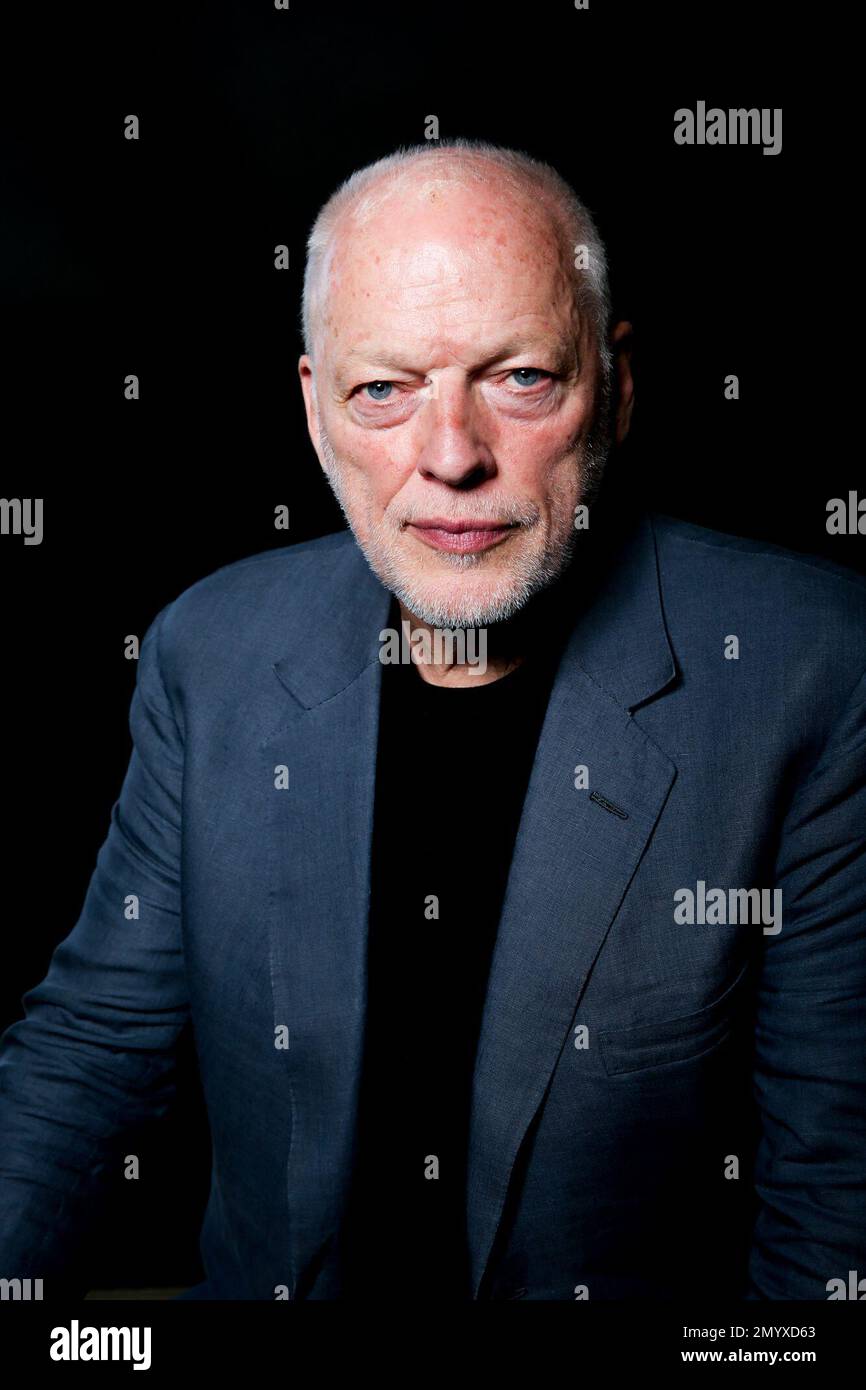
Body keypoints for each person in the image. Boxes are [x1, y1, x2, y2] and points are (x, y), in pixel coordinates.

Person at [1, 139, 864, 1301]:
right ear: (313, 410)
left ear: (614, 384)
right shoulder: (208, 652)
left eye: (520, 379)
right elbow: (90, 1055)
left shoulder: (811, 667)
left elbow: (834, 1187)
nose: (450, 458)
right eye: (383, 391)